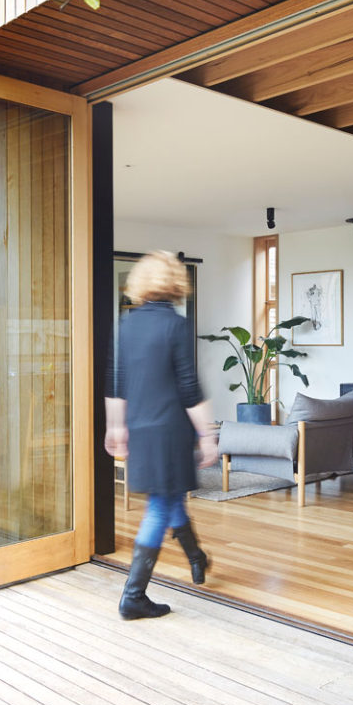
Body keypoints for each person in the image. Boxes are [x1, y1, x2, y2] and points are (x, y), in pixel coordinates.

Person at [105, 250, 219, 620]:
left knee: (168, 499)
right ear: (175, 283)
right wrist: (208, 434)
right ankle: (133, 595)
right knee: (160, 506)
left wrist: (116, 427)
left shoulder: (128, 323)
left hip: (139, 427)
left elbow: (115, 381)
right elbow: (189, 386)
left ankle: (197, 558)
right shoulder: (176, 325)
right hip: (170, 430)